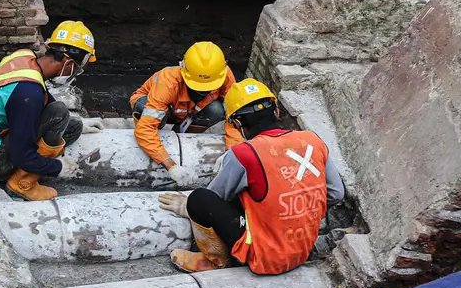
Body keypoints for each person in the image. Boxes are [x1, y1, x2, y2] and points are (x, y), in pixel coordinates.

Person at [157, 79, 344, 275]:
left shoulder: (245, 153)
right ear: (277, 111)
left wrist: (186, 207)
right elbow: (336, 193)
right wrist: (298, 212)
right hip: (302, 249)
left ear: (237, 123)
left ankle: (217, 261)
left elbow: (215, 197)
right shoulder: (312, 140)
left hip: (265, 257)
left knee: (199, 199)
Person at [0, 21, 96, 201]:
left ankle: (29, 170)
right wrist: (57, 167)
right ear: (68, 63)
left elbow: (45, 100)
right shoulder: (29, 94)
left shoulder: (24, 57)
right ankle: (22, 184)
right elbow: (21, 156)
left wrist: (80, 124)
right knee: (60, 113)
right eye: (76, 70)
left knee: (72, 127)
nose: (74, 74)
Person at [129, 42, 243, 188]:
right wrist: (171, 166)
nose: (203, 91)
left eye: (208, 87)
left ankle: (182, 136)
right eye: (197, 86)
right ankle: (155, 144)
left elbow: (233, 116)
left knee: (216, 110)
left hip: (190, 111)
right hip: (162, 108)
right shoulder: (168, 81)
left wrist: (231, 153)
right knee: (148, 111)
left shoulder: (224, 74)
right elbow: (144, 129)